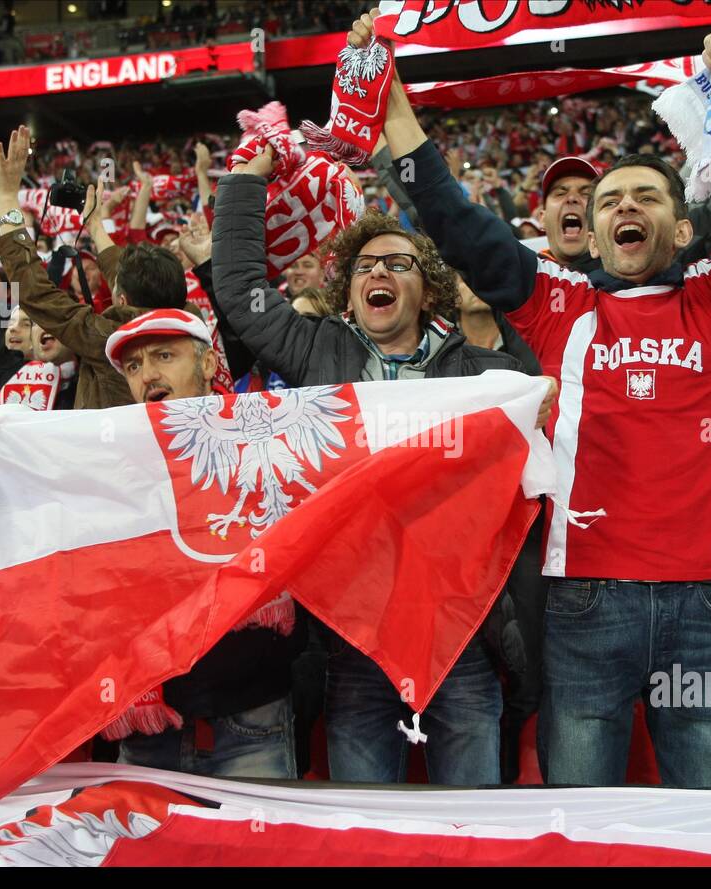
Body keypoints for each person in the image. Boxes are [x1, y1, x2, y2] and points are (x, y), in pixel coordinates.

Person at [369, 11, 711, 787]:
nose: (623, 209)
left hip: (707, 611)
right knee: (583, 830)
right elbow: (451, 218)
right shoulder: (553, 300)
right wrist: (387, 100)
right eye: (609, 201)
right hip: (585, 609)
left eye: (645, 196)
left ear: (680, 227)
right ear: (595, 231)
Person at [211, 142, 556, 787]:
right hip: (355, 638)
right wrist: (245, 178)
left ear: (427, 289)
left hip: (461, 639)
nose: (381, 274)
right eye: (368, 265)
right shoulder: (316, 352)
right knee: (364, 828)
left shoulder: (487, 375)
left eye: (399, 265)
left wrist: (538, 402)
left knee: (473, 827)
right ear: (349, 288)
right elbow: (237, 292)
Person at [0, 309, 304, 778]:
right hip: (143, 730)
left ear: (210, 364)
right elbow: (24, 514)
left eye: (164, 356)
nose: (148, 374)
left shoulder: (268, 438)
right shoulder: (105, 459)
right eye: (134, 367)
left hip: (251, 721)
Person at [0, 127, 190, 410]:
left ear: (122, 300)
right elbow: (120, 273)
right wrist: (96, 224)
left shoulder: (112, 340)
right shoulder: (191, 322)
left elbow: (36, 292)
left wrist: (8, 197)